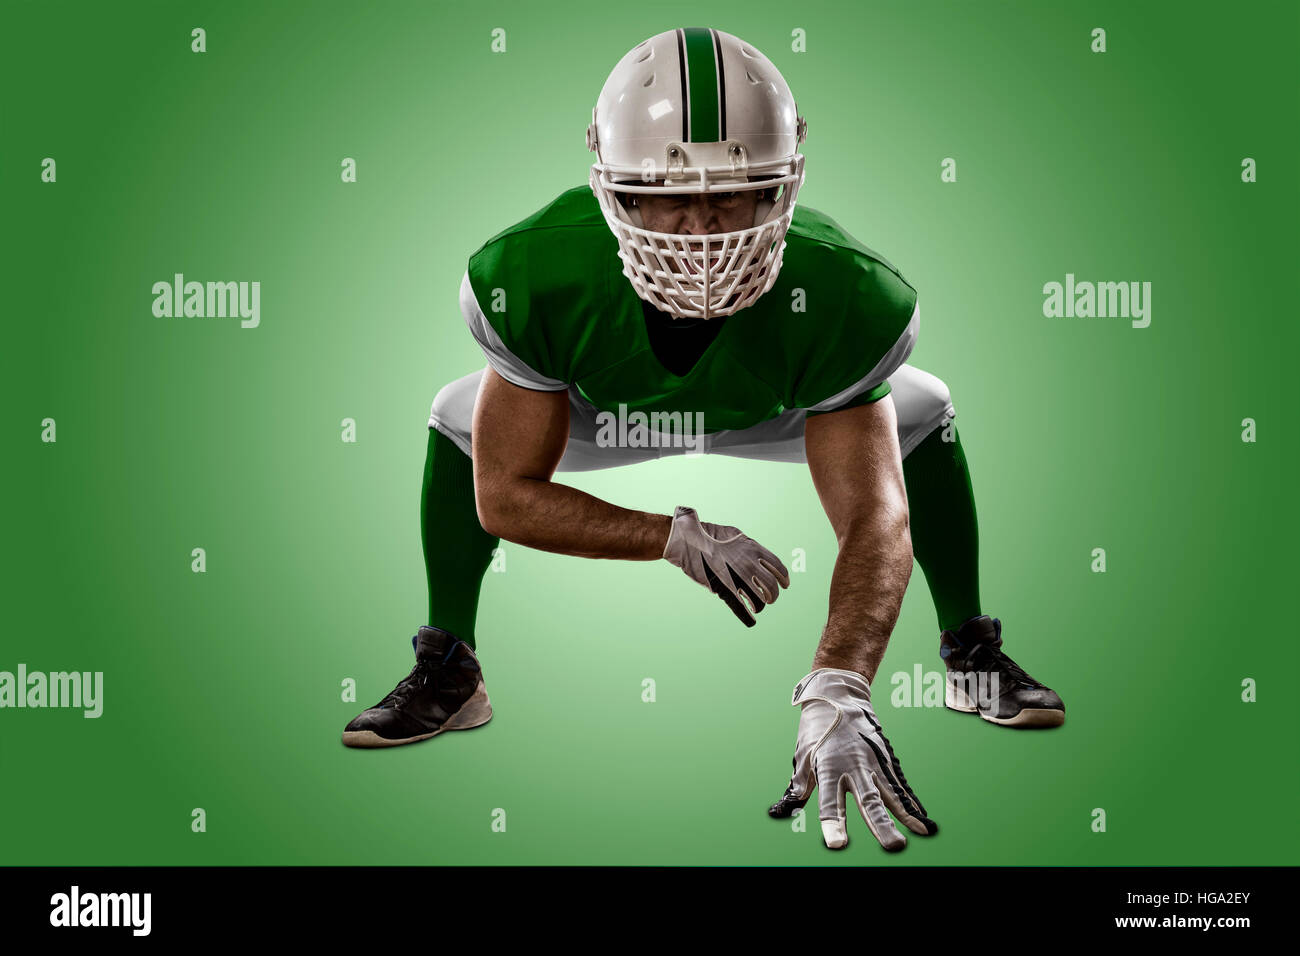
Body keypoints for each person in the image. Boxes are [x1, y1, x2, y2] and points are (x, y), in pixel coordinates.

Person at [342, 27, 1064, 851]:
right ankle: (451, 666)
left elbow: (875, 522)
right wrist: (668, 537)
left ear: (784, 185)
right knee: (460, 417)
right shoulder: (536, 272)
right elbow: (506, 496)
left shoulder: (843, 292)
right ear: (612, 188)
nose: (702, 230)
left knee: (923, 409)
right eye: (664, 193)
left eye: (737, 192)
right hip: (608, 408)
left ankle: (968, 649)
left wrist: (841, 685)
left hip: (778, 402)